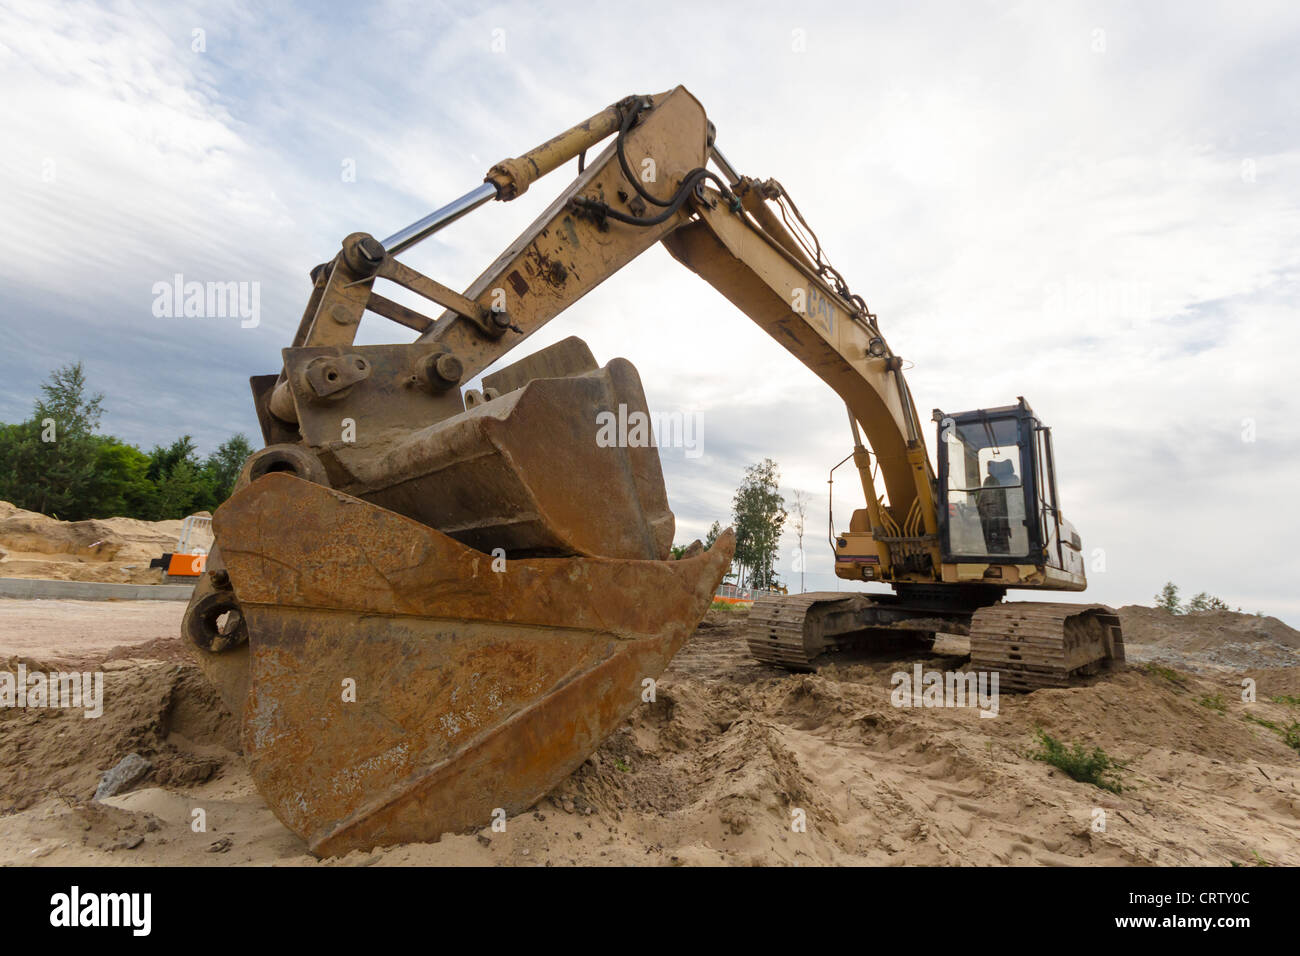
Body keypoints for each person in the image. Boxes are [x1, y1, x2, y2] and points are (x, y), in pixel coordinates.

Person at [976, 458, 1015, 554]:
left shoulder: (1012, 481)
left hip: (1004, 526)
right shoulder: (989, 481)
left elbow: (982, 505)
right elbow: (982, 505)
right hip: (993, 526)